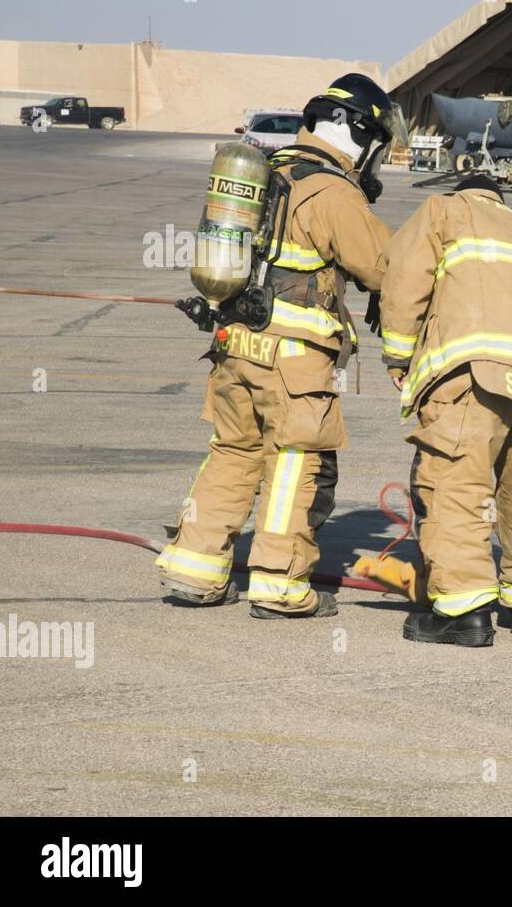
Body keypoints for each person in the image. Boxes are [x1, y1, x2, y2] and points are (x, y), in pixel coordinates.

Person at [156, 74, 402, 618]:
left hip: (235, 345)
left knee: (233, 452)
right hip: (293, 359)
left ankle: (194, 569)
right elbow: (385, 267)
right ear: (358, 133)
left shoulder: (271, 173)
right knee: (293, 462)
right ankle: (278, 583)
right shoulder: (331, 190)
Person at [378, 175, 512, 647]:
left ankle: (463, 610)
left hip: (477, 366)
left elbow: (407, 274)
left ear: (464, 192)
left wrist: (398, 355)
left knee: (456, 478)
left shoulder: (446, 210)